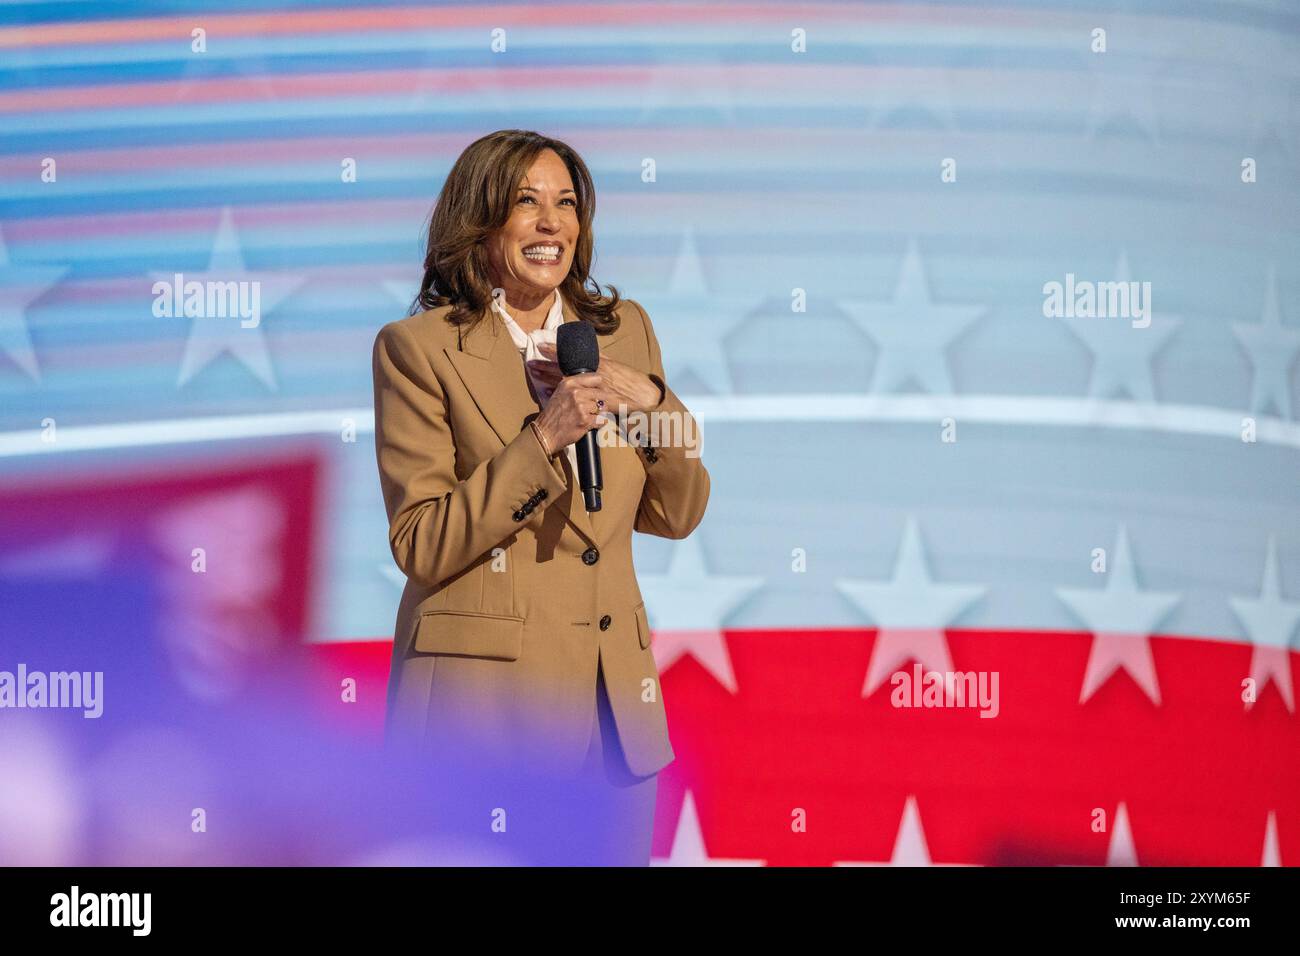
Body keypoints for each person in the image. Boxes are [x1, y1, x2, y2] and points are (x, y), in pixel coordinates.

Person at [371, 129, 710, 865]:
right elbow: (422, 541)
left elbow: (677, 511)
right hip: (480, 722)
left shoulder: (624, 331)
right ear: (480, 221)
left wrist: (652, 399)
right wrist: (540, 443)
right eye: (527, 203)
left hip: (612, 716)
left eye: (566, 204)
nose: (552, 223)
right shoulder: (417, 349)